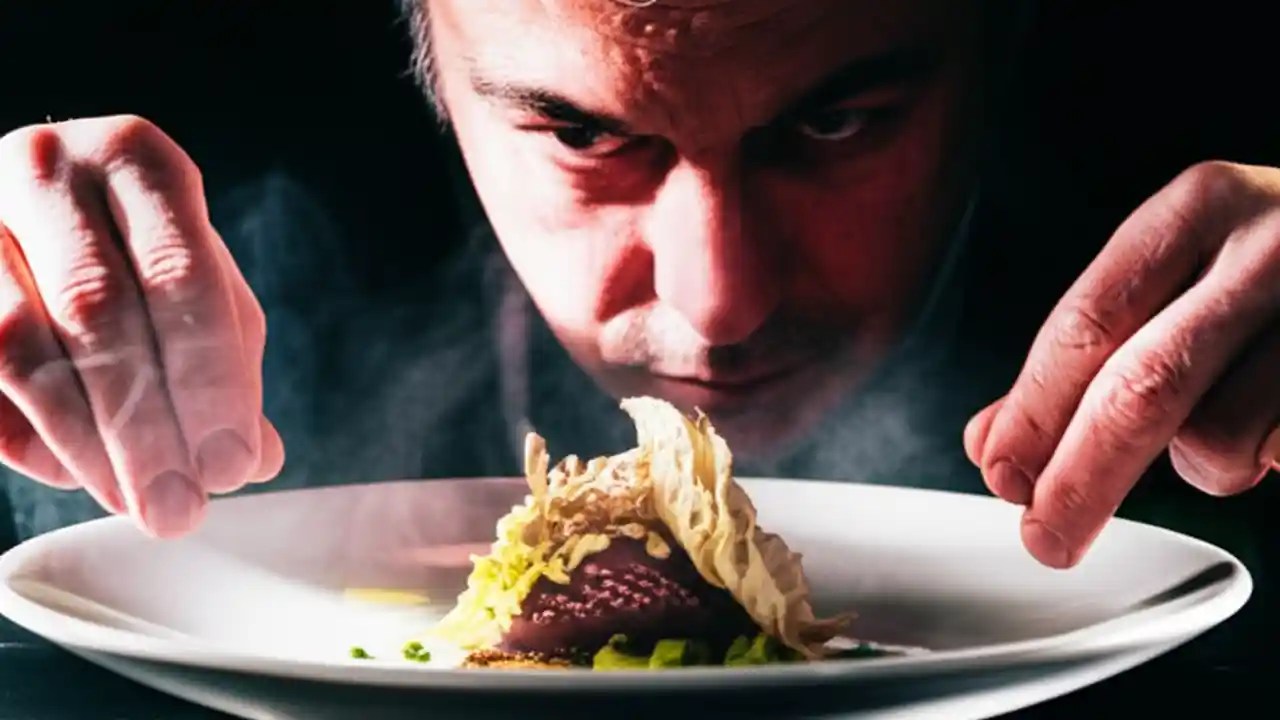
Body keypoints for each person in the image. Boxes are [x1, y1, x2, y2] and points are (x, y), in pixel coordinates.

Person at [0, 0, 1273, 573]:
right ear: (427, 60)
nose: (718, 304)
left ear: (1001, 43)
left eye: (833, 125)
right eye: (580, 136)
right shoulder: (268, 211)